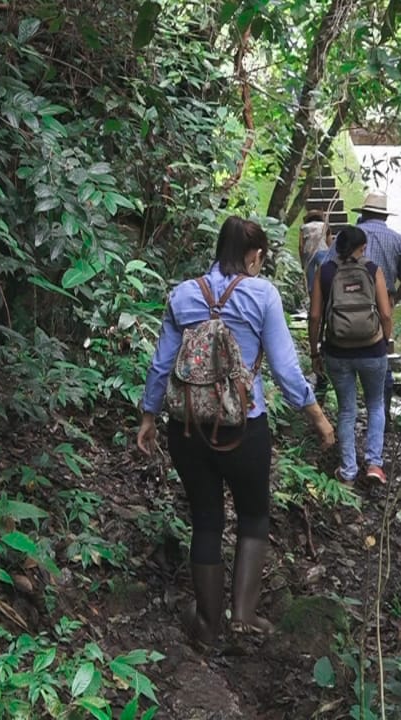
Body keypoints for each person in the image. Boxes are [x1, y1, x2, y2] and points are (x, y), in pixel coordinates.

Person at [137, 216, 336, 644]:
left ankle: (208, 624)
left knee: (205, 520)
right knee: (253, 515)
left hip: (187, 428)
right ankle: (243, 615)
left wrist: (149, 416)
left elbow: (161, 363)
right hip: (244, 427)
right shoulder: (262, 294)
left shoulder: (183, 294)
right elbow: (284, 367)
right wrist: (318, 417)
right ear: (254, 255)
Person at [309, 226, 393, 484]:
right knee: (375, 404)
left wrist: (314, 351)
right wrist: (385, 341)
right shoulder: (372, 270)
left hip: (338, 351)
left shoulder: (325, 271)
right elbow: (386, 313)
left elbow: (314, 316)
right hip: (372, 348)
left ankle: (348, 469)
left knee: (347, 410)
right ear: (362, 247)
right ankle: (374, 464)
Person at [353, 191, 401, 410]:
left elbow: (329, 271)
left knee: (346, 352)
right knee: (382, 357)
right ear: (385, 217)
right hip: (382, 307)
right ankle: (383, 411)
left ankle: (349, 409)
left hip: (346, 303)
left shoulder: (348, 237)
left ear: (363, 213)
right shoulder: (400, 241)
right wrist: (393, 300)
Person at [299, 210, 332, 299]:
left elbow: (301, 246)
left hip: (308, 253)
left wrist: (302, 261)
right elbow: (330, 244)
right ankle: (325, 297)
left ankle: (312, 300)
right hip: (322, 251)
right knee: (325, 275)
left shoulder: (304, 227)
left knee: (311, 279)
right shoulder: (325, 226)